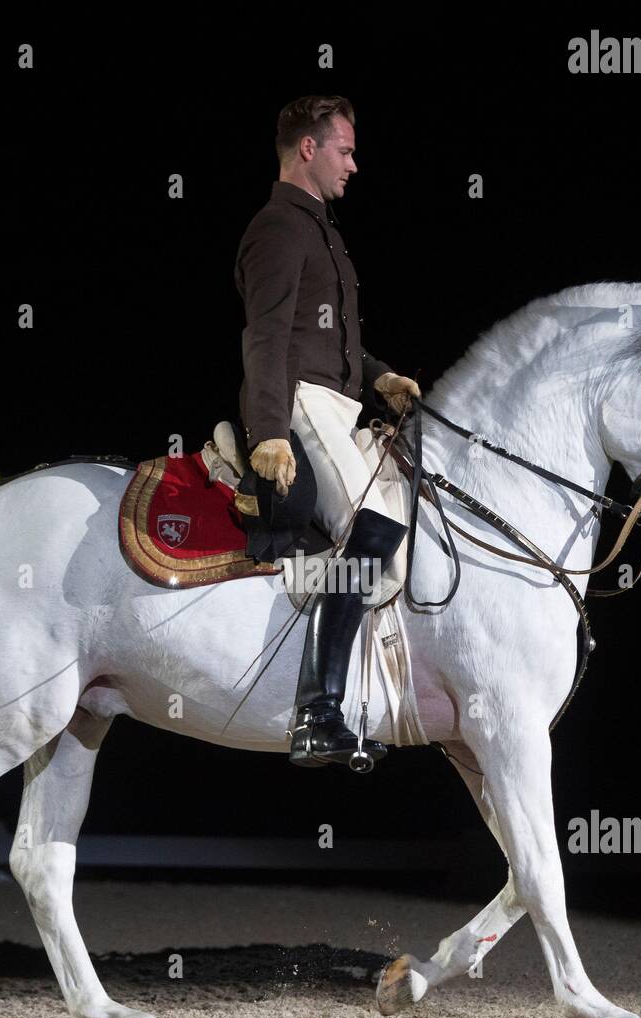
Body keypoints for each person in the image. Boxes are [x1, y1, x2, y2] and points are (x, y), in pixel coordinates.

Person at [235, 95, 419, 769]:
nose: (355, 164)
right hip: (302, 403)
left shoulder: (321, 229)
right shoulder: (279, 228)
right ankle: (316, 712)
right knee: (371, 525)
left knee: (406, 516)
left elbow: (329, 340)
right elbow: (269, 337)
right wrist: (269, 430)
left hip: (338, 401)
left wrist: (380, 376)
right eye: (345, 150)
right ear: (308, 150)